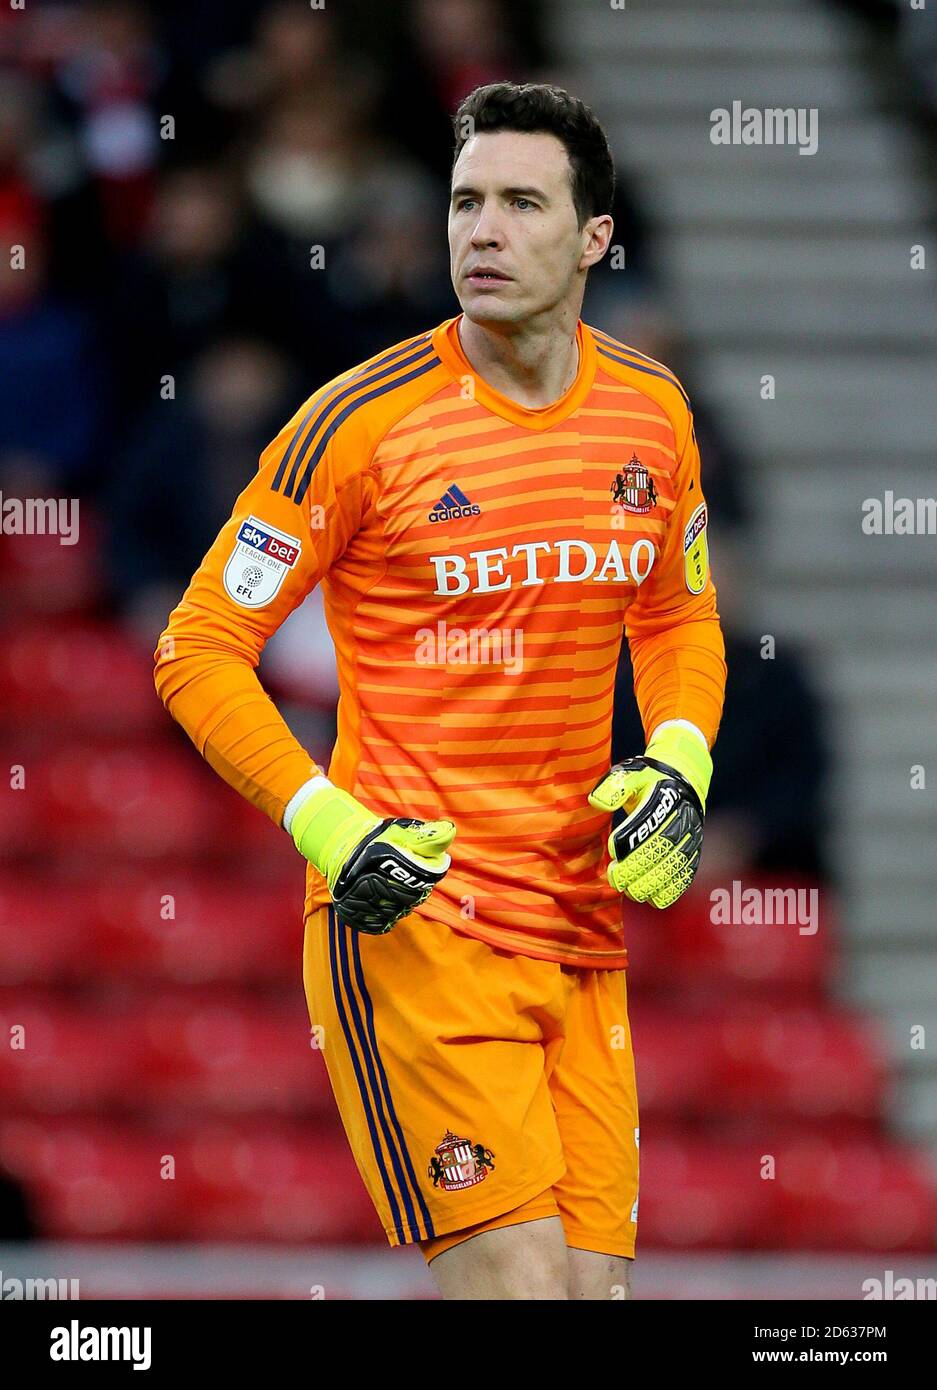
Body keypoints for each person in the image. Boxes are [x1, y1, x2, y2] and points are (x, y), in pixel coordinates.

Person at [154, 81, 727, 1300]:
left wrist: (679, 757)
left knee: (590, 1299)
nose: (482, 229)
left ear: (593, 240)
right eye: (467, 201)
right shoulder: (355, 426)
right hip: (418, 921)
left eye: (523, 203)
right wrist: (326, 824)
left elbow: (676, 615)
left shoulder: (653, 413)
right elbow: (197, 645)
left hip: (579, 921)